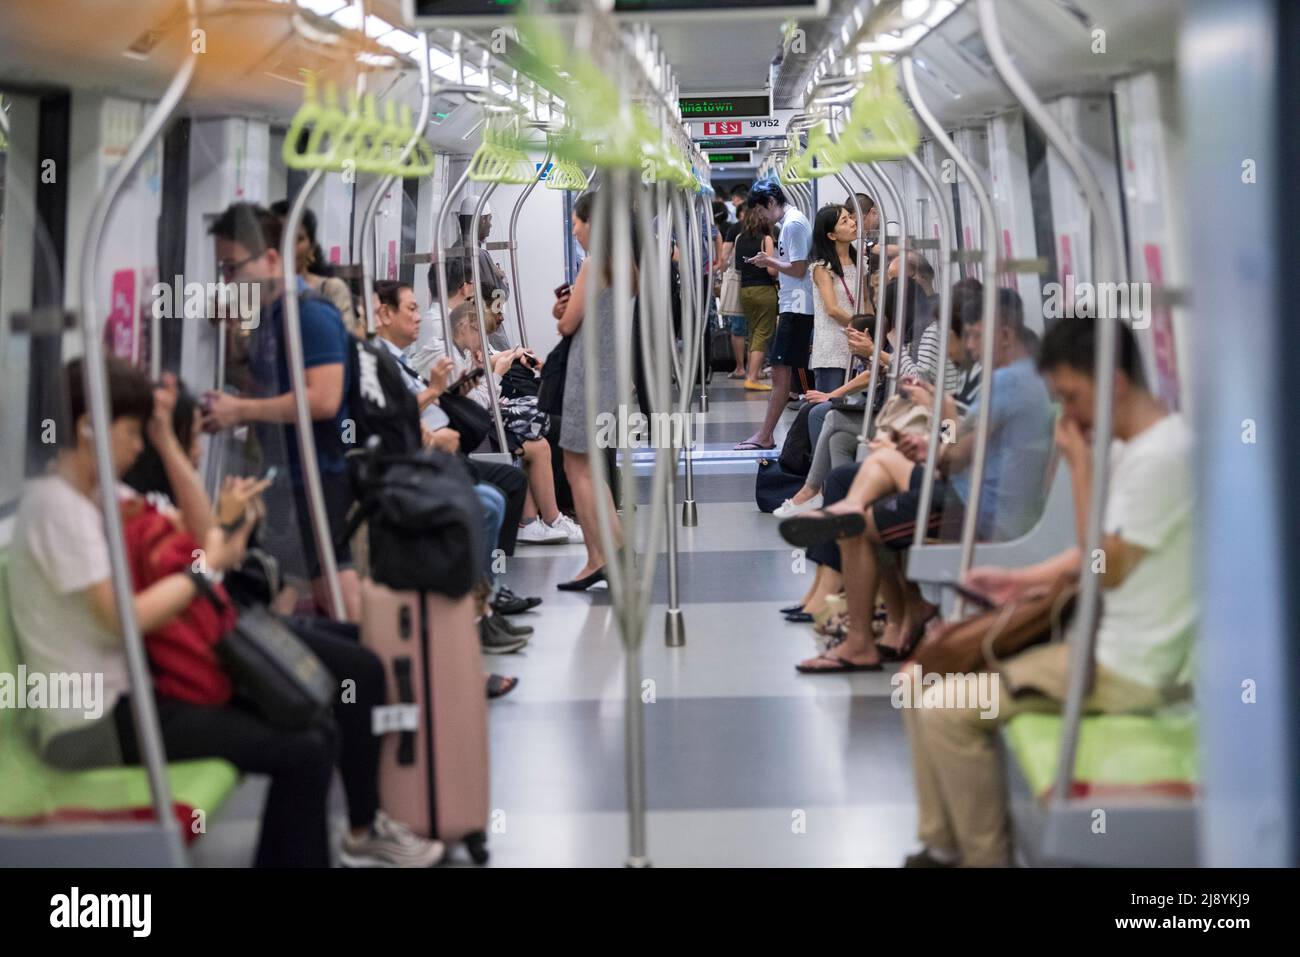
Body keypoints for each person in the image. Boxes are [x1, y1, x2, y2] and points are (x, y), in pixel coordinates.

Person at [9, 358, 438, 867]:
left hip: (136, 696)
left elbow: (199, 534)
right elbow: (120, 618)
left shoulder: (101, 494)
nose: (136, 447)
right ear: (88, 429)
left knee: (316, 732)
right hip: (91, 727)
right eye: (130, 433)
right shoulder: (57, 509)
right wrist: (205, 568)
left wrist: (168, 443)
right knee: (303, 746)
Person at [902, 316, 1196, 868]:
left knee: (941, 708)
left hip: (1127, 675)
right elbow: (1101, 550)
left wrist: (1080, 464)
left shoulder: (1161, 458)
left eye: (1073, 397)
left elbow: (1102, 566)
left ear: (1113, 383)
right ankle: (942, 847)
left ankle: (982, 860)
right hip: (1099, 652)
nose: (1070, 415)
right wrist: (1019, 580)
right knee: (921, 682)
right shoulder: (1130, 446)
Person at [120, 373, 450, 862]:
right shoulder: (137, 511)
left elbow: (207, 553)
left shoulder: (158, 502)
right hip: (215, 638)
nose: (197, 454)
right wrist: (228, 526)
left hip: (226, 620)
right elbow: (208, 559)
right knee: (355, 675)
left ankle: (367, 815)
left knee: (361, 649)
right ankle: (362, 823)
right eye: (190, 441)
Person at [778, 289, 1053, 673]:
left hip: (973, 507)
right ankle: (888, 596)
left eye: (975, 336)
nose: (972, 346)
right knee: (859, 474)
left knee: (866, 522)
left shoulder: (1005, 383)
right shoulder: (1001, 378)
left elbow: (956, 452)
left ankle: (864, 638)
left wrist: (934, 422)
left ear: (1003, 334)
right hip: (968, 488)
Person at [202, 203, 361, 622]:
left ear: (271, 258)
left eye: (234, 267)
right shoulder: (269, 317)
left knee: (297, 586)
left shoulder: (309, 314)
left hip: (316, 471)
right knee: (332, 582)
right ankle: (365, 669)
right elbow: (275, 387)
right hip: (284, 469)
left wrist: (242, 409)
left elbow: (323, 398)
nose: (229, 279)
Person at [553, 190, 629, 591]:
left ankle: (595, 558)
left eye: (577, 223)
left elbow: (568, 326)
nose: (575, 230)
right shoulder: (624, 265)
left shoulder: (593, 264)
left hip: (588, 371)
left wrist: (562, 312)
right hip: (610, 368)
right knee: (592, 465)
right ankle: (615, 547)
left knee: (576, 467)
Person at [735, 181, 815, 449]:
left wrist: (768, 261)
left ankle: (766, 435)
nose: (760, 217)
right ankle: (766, 434)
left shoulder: (792, 225)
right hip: (792, 305)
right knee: (784, 374)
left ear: (771, 201)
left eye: (760, 209)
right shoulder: (789, 224)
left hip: (797, 307)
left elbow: (798, 268)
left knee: (782, 373)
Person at [269, 201, 359, 336]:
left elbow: (346, 340)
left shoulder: (331, 289)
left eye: (297, 239)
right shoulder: (256, 289)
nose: (287, 246)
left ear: (312, 247)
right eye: (279, 238)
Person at [721, 204, 777, 390]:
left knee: (753, 331)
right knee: (763, 332)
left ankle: (754, 372)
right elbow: (771, 269)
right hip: (764, 290)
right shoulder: (766, 239)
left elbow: (737, 266)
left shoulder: (739, 239)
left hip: (745, 290)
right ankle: (752, 377)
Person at [808, 204, 860, 394]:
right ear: (831, 235)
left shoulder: (860, 262)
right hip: (833, 347)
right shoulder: (822, 267)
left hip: (859, 343)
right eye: (844, 221)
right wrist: (862, 325)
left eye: (850, 218)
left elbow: (867, 301)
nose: (853, 223)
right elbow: (832, 309)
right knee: (831, 408)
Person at [457, 195, 512, 351]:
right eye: (489, 219)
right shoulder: (479, 254)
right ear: (480, 221)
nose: (491, 225)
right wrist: (501, 276)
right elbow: (500, 296)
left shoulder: (454, 249)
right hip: (488, 331)